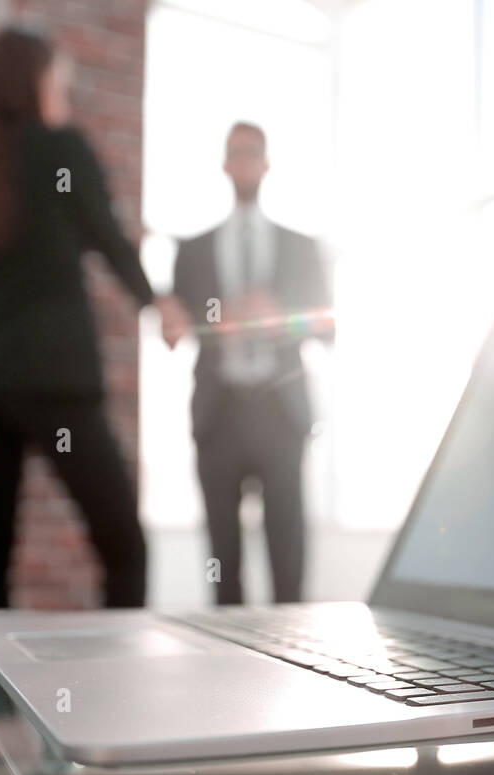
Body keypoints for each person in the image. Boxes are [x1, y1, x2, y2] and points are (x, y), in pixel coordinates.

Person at [0, 29, 184, 613]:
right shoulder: (62, 150)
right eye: (57, 80)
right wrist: (157, 305)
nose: (62, 91)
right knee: (123, 546)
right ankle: (119, 689)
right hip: (56, 377)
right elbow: (109, 241)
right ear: (33, 83)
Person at [167, 122, 332, 605]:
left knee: (289, 556)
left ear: (266, 163)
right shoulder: (191, 250)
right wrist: (218, 319)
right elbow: (178, 328)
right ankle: (225, 669)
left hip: (281, 413)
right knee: (222, 561)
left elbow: (327, 327)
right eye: (235, 152)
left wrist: (282, 318)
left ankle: (293, 664)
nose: (243, 161)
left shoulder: (301, 247)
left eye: (252, 152)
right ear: (224, 163)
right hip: (219, 413)